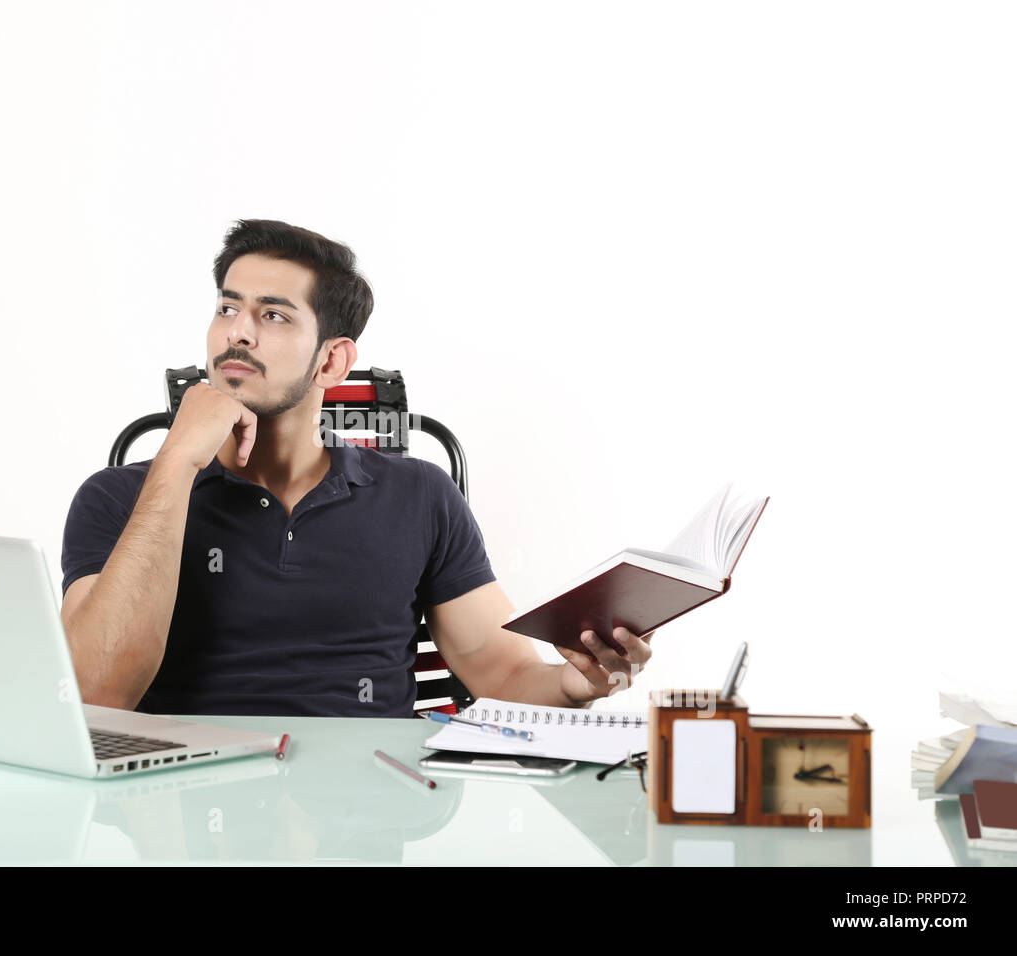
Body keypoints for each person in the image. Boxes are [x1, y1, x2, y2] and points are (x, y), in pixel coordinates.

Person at [60, 219, 654, 717]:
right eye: (227, 308)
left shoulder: (421, 495)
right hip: (187, 816)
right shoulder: (115, 499)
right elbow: (96, 693)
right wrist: (176, 463)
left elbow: (502, 670)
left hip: (369, 811)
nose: (237, 333)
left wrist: (577, 684)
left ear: (332, 361)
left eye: (274, 316)